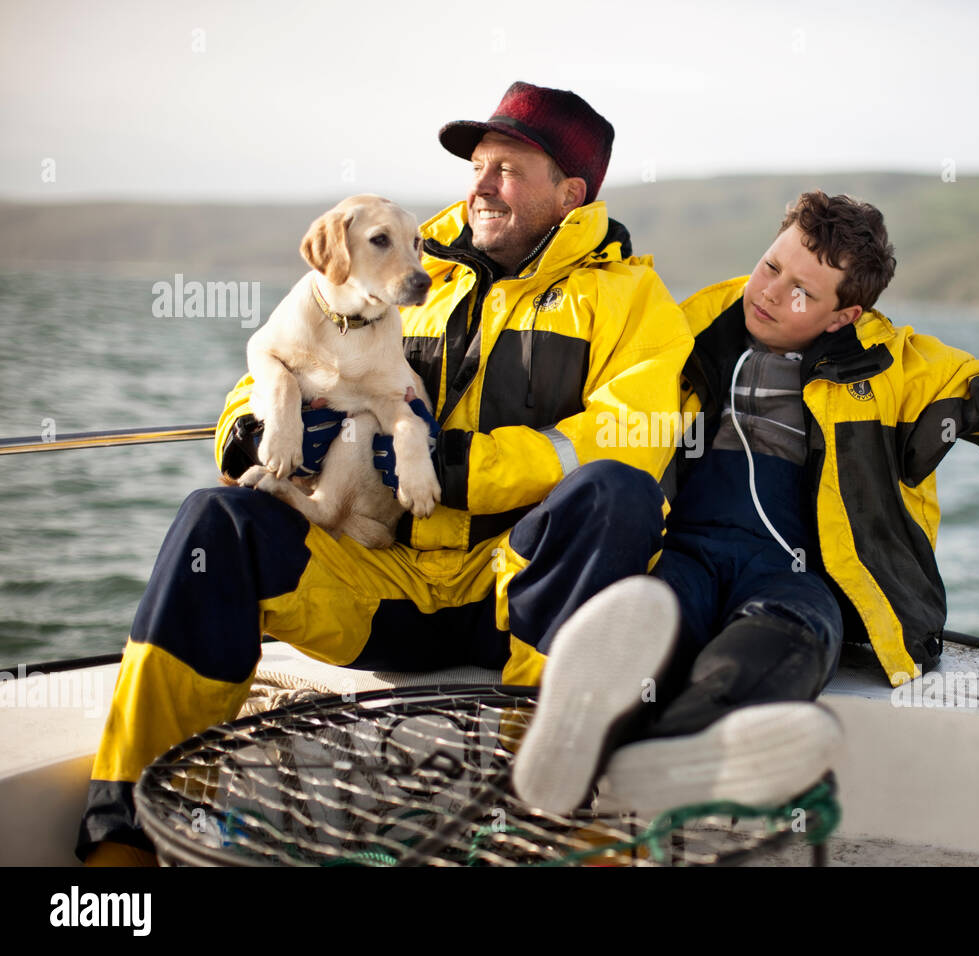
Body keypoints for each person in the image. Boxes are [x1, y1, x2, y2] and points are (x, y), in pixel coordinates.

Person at [77, 81, 694, 864]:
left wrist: (466, 468)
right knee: (216, 520)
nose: (481, 183)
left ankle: (540, 805)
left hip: (511, 593)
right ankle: (126, 831)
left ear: (572, 193)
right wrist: (248, 432)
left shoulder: (633, 298)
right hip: (378, 584)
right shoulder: (400, 262)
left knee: (619, 496)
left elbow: (631, 436)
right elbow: (284, 357)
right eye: (477, 164)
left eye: (510, 167)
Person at [514, 190, 979, 815]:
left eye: (803, 291)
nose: (771, 292)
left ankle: (669, 755)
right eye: (770, 266)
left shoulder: (888, 360)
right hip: (682, 553)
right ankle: (585, 738)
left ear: (844, 315)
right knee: (648, 623)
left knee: (786, 641)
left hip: (798, 573)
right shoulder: (690, 322)